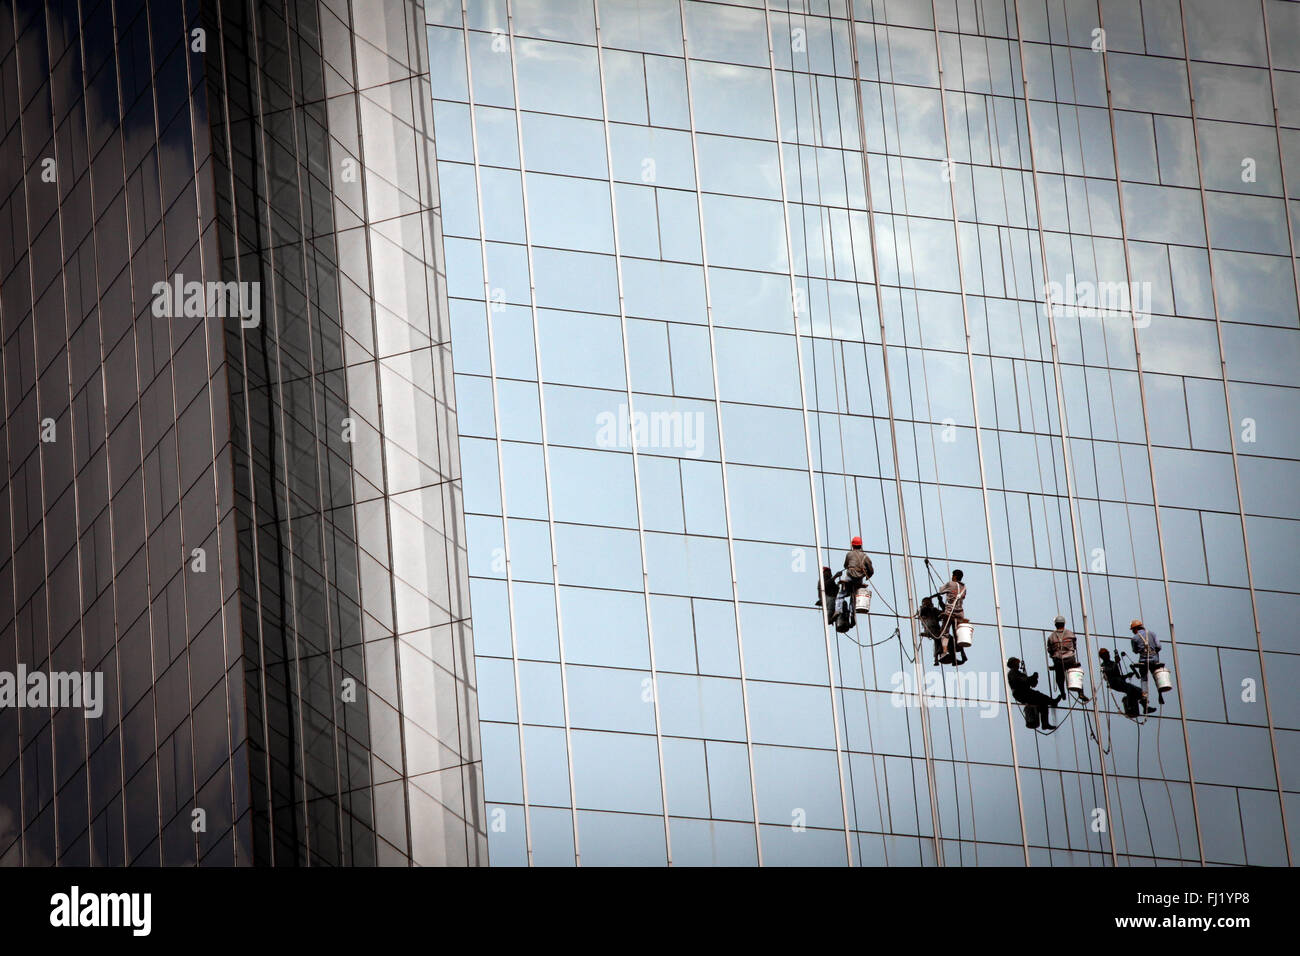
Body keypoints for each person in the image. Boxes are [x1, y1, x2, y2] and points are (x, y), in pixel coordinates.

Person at [1006, 657, 1061, 730]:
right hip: (1021, 693)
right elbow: (1022, 681)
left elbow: (1030, 684)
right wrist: (1032, 678)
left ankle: (1045, 724)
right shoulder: (1012, 673)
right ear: (1012, 664)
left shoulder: (1018, 673)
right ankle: (1052, 702)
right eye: (1016, 662)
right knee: (1040, 697)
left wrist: (1034, 679)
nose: (1018, 664)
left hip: (1024, 692)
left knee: (1043, 703)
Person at [1099, 647, 1154, 717]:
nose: (1107, 655)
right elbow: (1109, 673)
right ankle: (1129, 706)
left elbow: (1118, 676)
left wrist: (1127, 675)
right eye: (1105, 654)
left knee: (1140, 690)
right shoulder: (1103, 666)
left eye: (1107, 653)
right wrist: (1116, 663)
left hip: (1119, 681)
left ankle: (1145, 707)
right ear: (1102, 657)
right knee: (1129, 689)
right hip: (1113, 683)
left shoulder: (1113, 663)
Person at [1047, 615, 1089, 703]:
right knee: (1076, 672)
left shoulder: (1051, 637)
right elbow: (1074, 646)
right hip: (1070, 659)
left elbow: (1050, 650)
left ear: (1055, 625)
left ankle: (1062, 692)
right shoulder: (1070, 634)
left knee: (1059, 677)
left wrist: (1054, 656)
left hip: (1058, 660)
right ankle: (1080, 693)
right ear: (1064, 624)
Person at [933, 569, 968, 664]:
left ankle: (944, 652)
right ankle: (962, 654)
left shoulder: (950, 584)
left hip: (949, 613)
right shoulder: (964, 587)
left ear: (955, 577)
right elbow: (962, 596)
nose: (952, 577)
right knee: (958, 635)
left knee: (944, 633)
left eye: (953, 576)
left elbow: (941, 590)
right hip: (959, 614)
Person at [1129, 619, 1167, 705]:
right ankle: (1160, 693)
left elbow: (1135, 651)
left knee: (1144, 679)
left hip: (1143, 661)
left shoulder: (1134, 638)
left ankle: (1144, 696)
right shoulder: (1152, 634)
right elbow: (1159, 646)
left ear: (1135, 629)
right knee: (1157, 677)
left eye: (1133, 630)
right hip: (1154, 659)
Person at [842, 537, 873, 602]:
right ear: (860, 545)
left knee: (841, 595)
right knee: (854, 596)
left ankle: (838, 610)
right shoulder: (865, 556)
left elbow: (845, 565)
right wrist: (867, 577)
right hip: (858, 579)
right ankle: (853, 610)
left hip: (849, 577)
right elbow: (871, 570)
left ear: (852, 545)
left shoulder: (849, 554)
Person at [916, 597, 944, 664]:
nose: (930, 603)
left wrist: (940, 601)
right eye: (928, 602)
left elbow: (943, 613)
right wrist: (924, 605)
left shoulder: (934, 610)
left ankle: (937, 656)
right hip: (930, 629)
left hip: (937, 629)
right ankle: (938, 655)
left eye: (930, 602)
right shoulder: (923, 610)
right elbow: (921, 612)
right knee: (938, 637)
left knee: (941, 638)